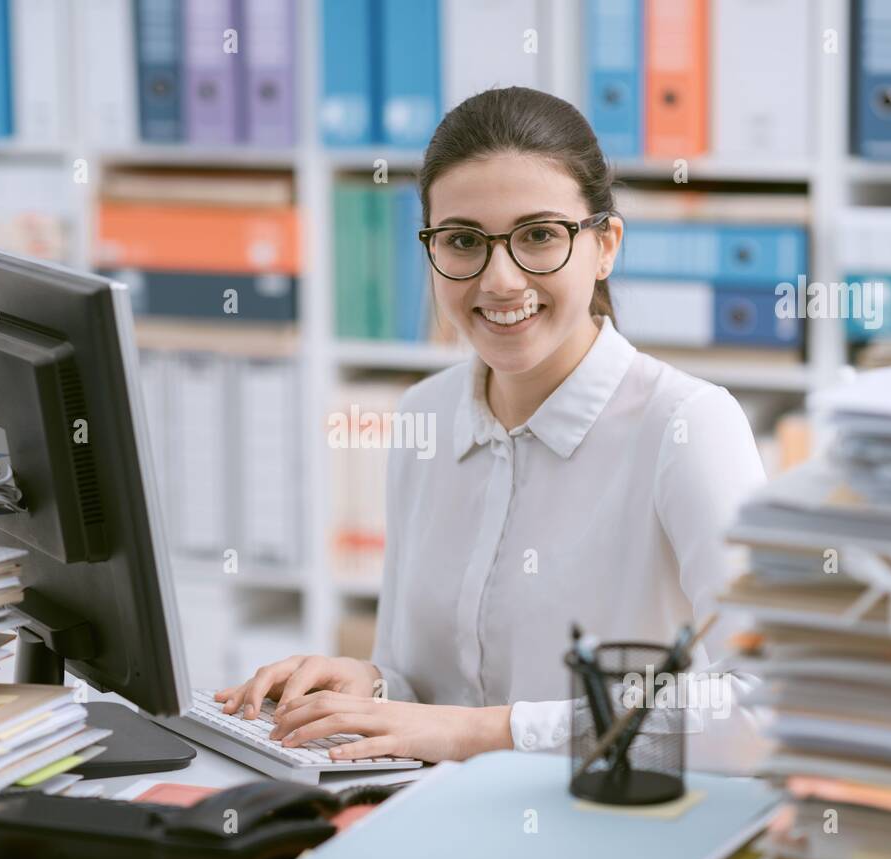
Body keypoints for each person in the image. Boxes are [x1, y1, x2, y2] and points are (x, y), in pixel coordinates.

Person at [216, 87, 768, 771]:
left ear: (605, 246)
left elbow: (764, 703)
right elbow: (424, 690)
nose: (500, 279)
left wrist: (486, 732)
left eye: (539, 234)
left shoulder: (688, 426)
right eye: (463, 241)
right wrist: (373, 686)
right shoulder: (424, 414)